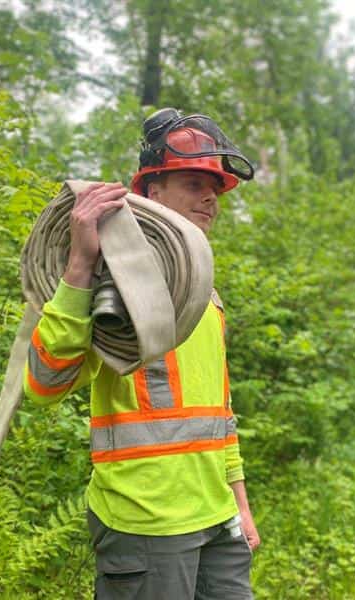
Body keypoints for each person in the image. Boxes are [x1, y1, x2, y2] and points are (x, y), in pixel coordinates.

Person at [23, 108, 260, 599]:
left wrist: (239, 500)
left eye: (215, 188)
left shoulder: (204, 294)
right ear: (152, 192)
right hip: (146, 524)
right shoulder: (114, 283)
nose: (211, 197)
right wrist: (81, 265)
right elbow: (44, 384)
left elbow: (220, 414)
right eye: (194, 183)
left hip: (217, 520)